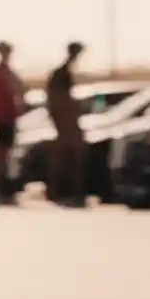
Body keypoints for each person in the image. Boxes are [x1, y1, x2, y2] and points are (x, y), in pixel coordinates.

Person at [0, 41, 26, 204]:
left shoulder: (5, 73)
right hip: (3, 118)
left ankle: (3, 186)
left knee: (6, 154)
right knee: (2, 154)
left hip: (8, 117)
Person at [46, 42, 87, 206]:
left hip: (66, 120)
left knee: (68, 157)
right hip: (65, 121)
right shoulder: (61, 73)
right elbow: (57, 98)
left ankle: (64, 191)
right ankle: (64, 191)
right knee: (70, 157)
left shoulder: (64, 72)